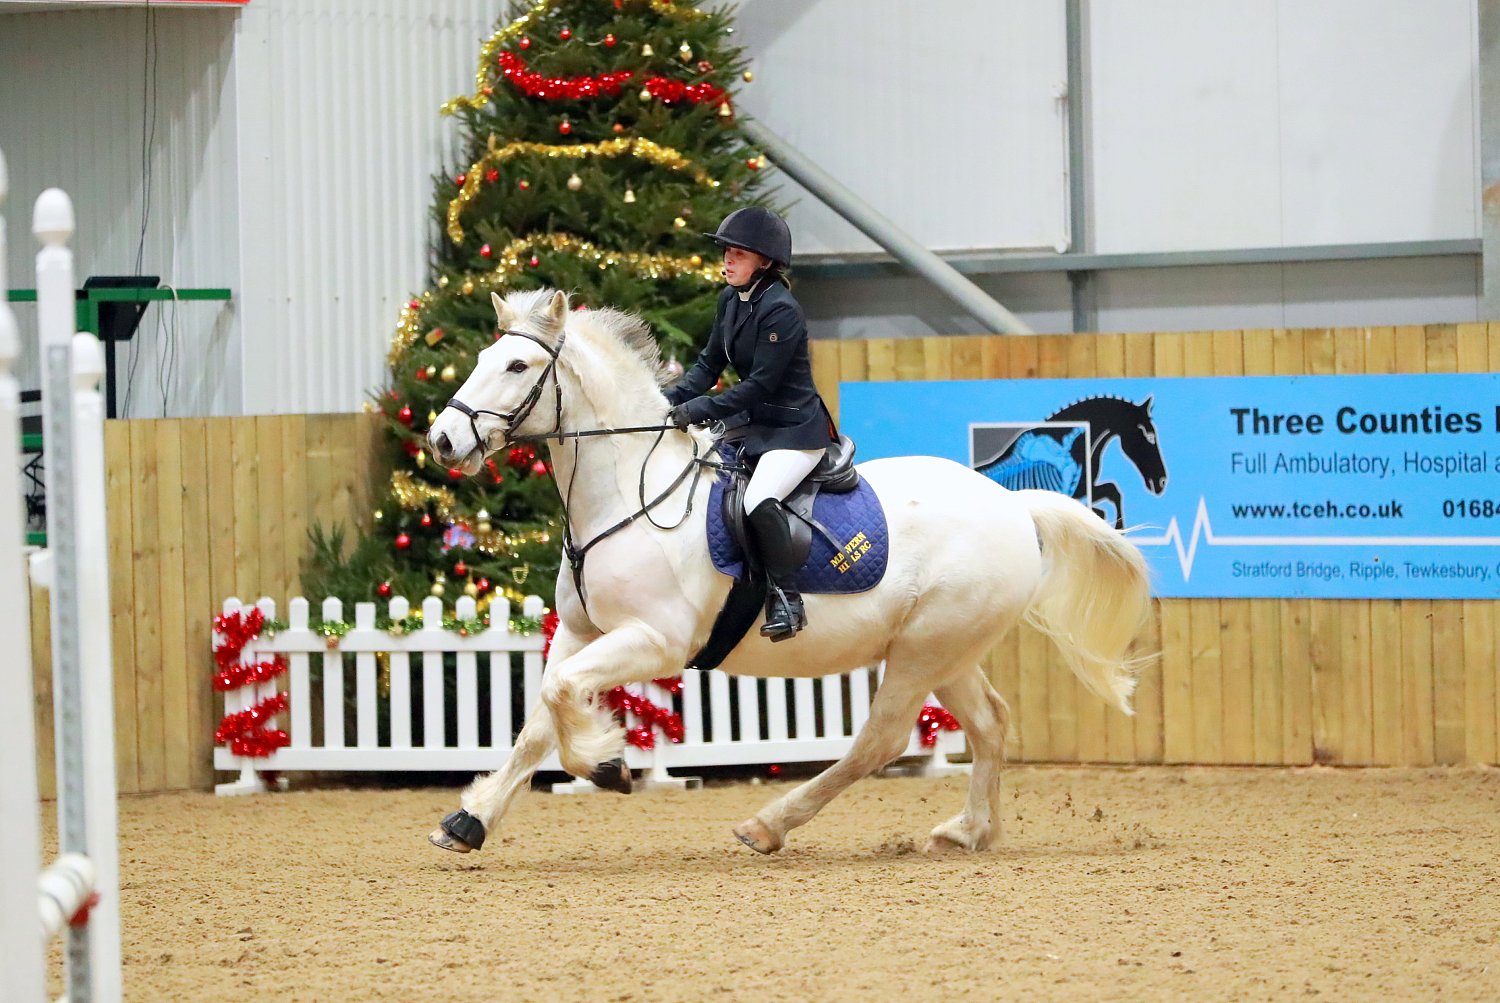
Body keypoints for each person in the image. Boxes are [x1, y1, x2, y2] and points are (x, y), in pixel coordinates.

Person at [665, 206, 836, 642]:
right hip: (753, 427)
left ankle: (787, 598)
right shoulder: (730, 299)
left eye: (737, 254)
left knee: (758, 498)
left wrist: (702, 409)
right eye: (726, 252)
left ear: (764, 261)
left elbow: (761, 384)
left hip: (795, 432)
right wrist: (666, 402)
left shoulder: (782, 310)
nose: (727, 261)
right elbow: (709, 363)